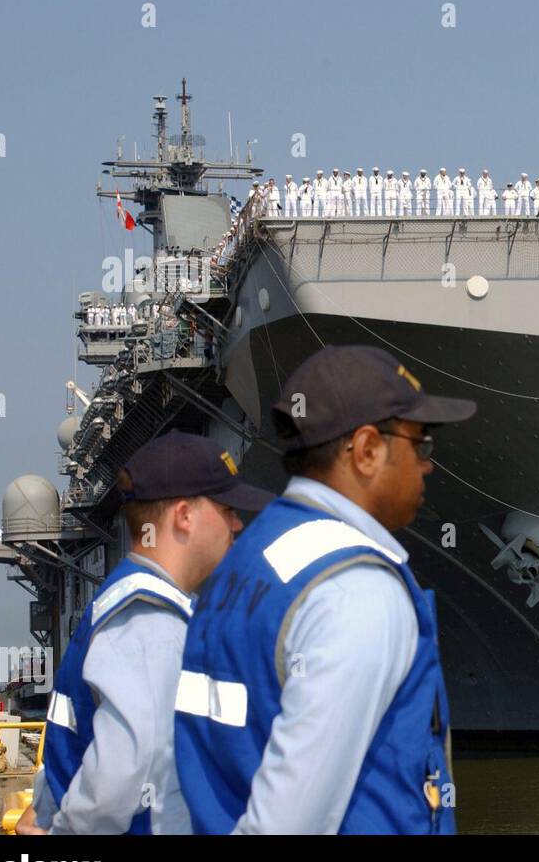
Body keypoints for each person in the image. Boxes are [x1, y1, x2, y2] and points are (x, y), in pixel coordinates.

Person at [174, 345, 475, 835]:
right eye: (419, 445)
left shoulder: (246, 561)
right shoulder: (357, 591)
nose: (427, 465)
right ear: (367, 449)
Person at [21, 432, 271, 836]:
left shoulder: (120, 601)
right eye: (227, 509)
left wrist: (47, 812)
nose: (238, 523)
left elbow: (73, 741)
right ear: (185, 515)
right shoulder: (150, 620)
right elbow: (120, 778)